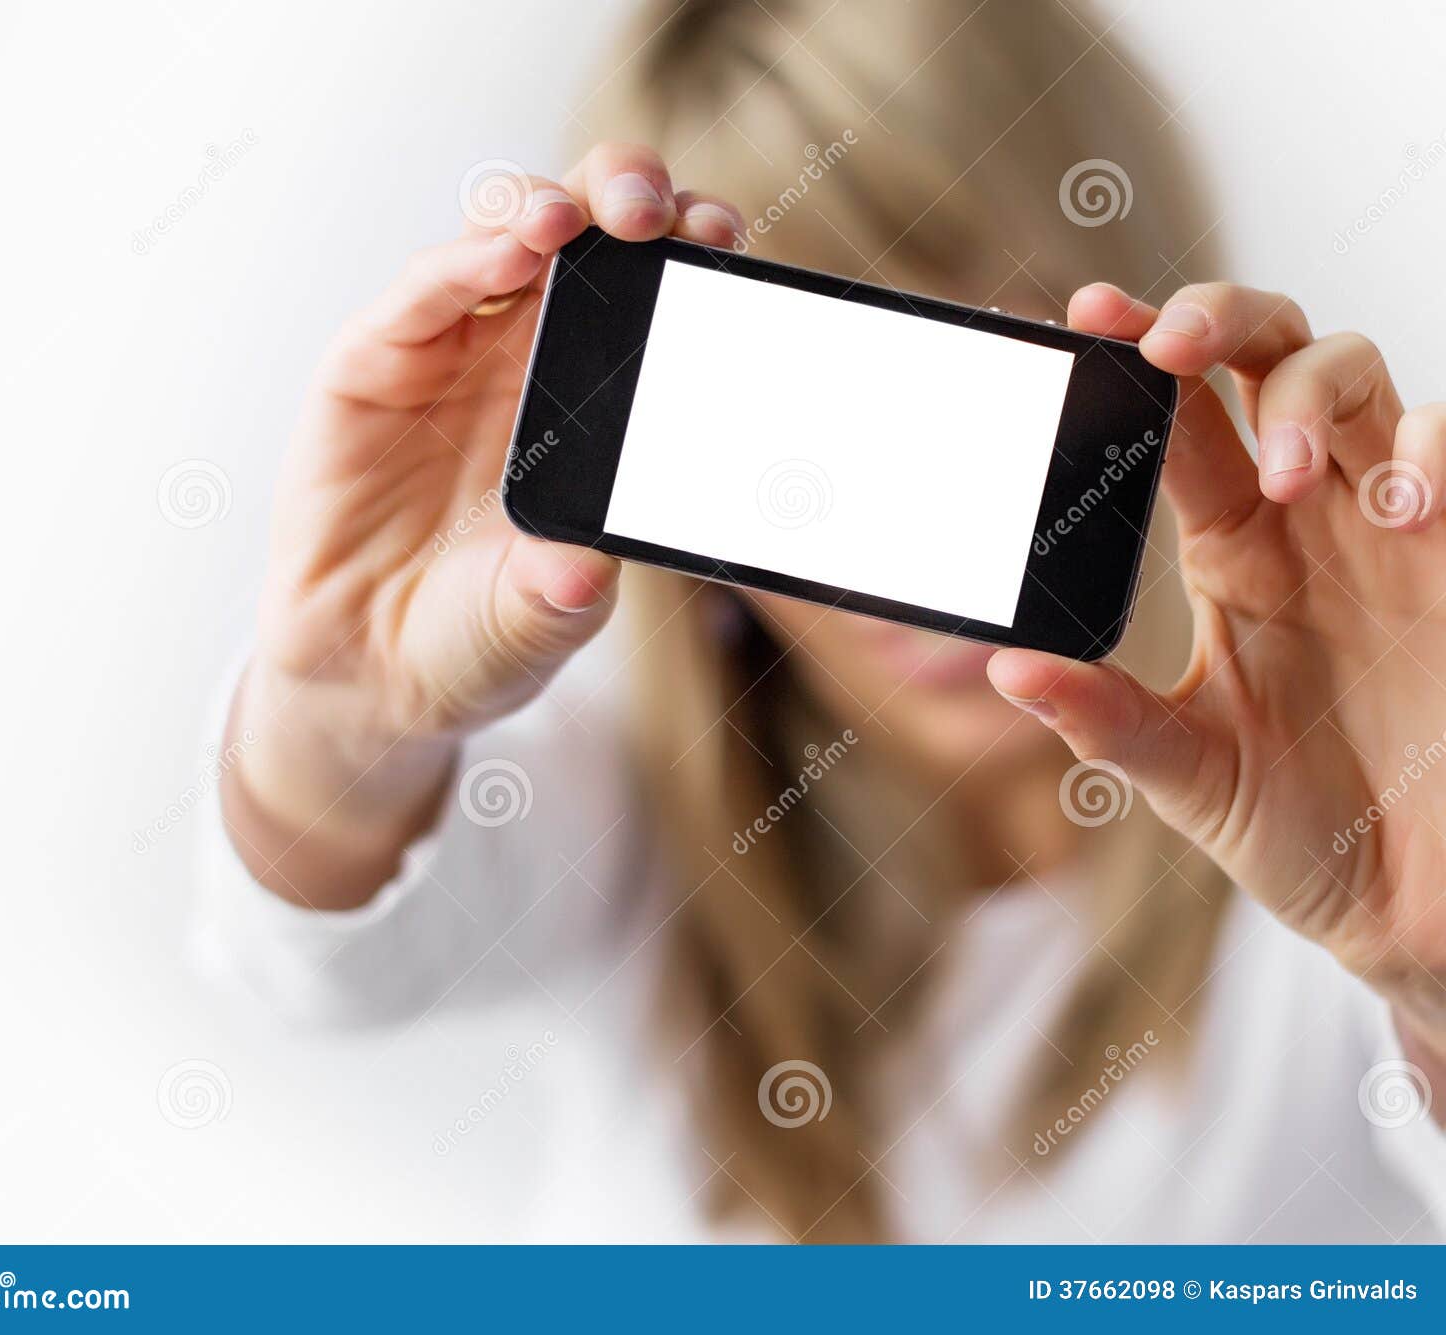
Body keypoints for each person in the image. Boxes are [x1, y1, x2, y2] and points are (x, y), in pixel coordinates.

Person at [192, 0, 1446, 1242]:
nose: (919, 544)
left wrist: (1430, 975)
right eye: (804, 432)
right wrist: (338, 709)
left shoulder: (1324, 864)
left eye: (987, 381)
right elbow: (316, 957)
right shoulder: (622, 810)